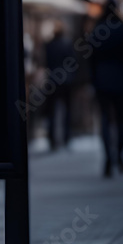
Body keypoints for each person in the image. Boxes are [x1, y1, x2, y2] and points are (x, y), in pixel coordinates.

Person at [89, 5, 123, 177]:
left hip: (102, 81)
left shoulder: (97, 31)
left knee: (105, 118)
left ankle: (108, 156)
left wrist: (93, 81)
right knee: (122, 119)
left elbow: (90, 59)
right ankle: (118, 153)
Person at [44, 21, 76, 150]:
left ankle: (52, 139)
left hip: (53, 79)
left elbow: (47, 61)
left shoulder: (49, 44)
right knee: (67, 110)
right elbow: (73, 62)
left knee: (51, 111)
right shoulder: (67, 43)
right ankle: (66, 137)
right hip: (66, 79)